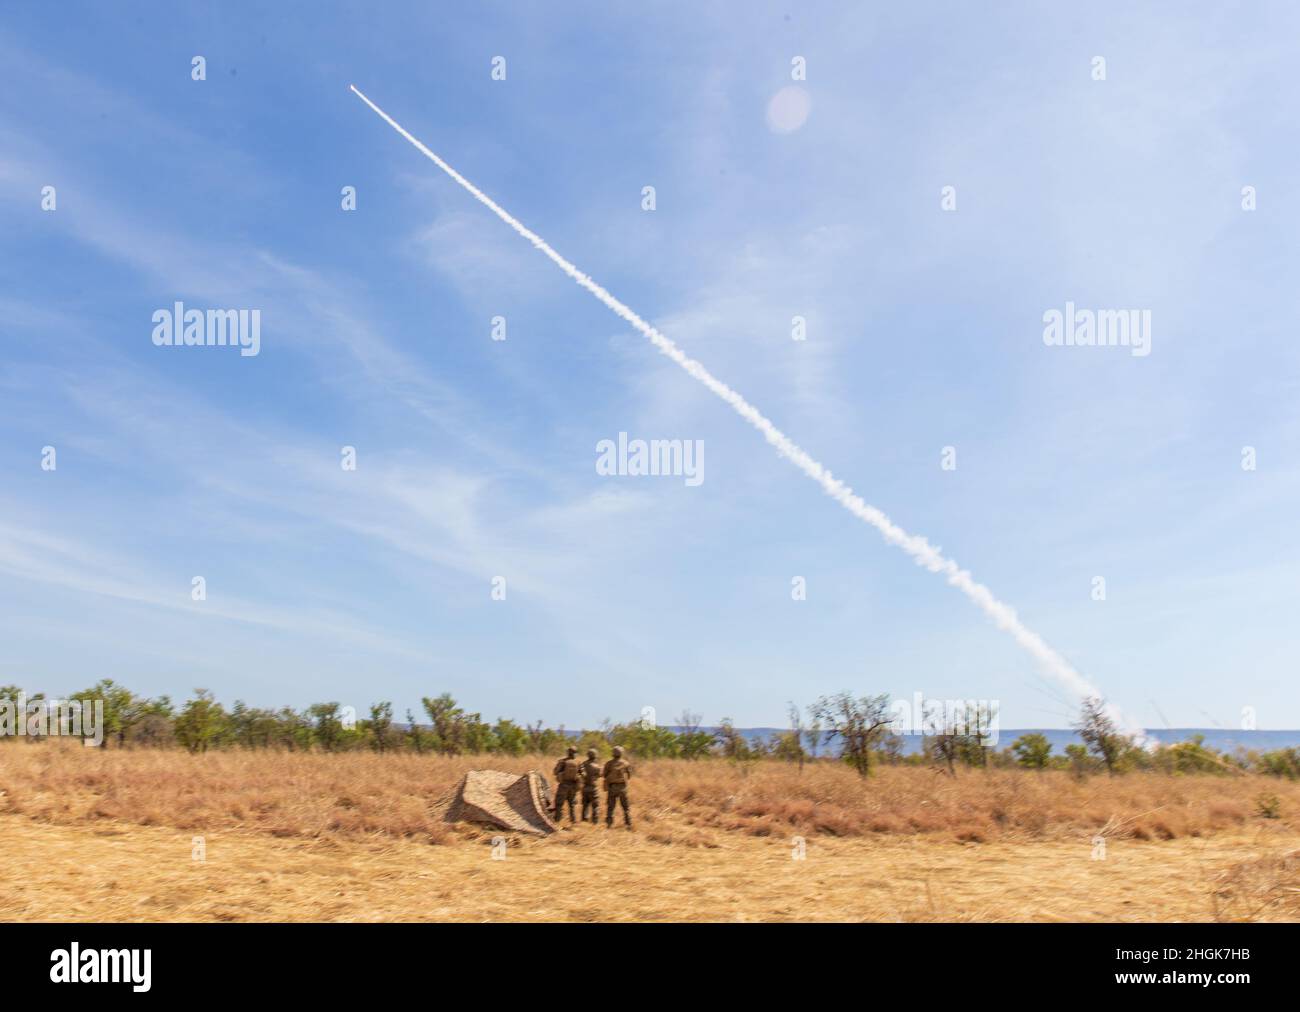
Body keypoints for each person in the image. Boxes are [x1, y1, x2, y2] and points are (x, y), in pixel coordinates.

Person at [603, 745, 632, 829]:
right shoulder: (626, 763)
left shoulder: (609, 763)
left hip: (612, 788)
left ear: (613, 753)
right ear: (621, 753)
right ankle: (628, 824)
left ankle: (609, 824)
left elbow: (604, 775)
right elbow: (629, 776)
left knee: (610, 807)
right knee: (625, 807)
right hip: (622, 788)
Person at [552, 745, 581, 823]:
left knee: (559, 804)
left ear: (568, 752)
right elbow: (583, 774)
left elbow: (555, 772)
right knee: (572, 805)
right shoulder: (578, 762)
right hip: (573, 786)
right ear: (575, 753)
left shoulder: (562, 761)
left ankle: (557, 820)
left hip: (563, 786)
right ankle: (573, 821)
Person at [579, 747, 602, 823]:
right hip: (593, 788)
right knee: (595, 806)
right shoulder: (597, 766)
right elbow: (600, 775)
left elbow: (580, 772)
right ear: (595, 755)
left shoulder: (583, 764)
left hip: (585, 787)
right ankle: (595, 821)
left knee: (585, 805)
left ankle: (584, 820)